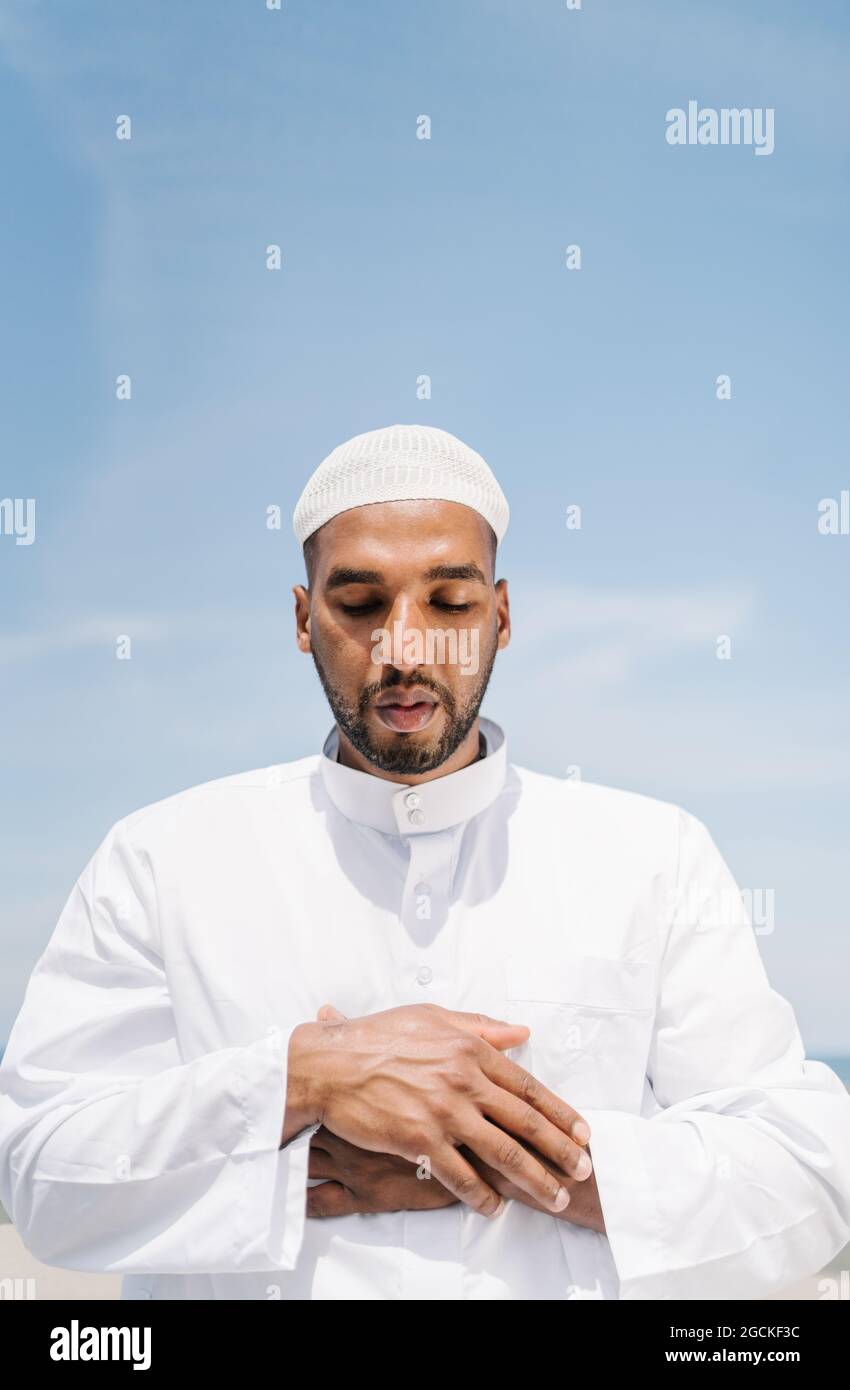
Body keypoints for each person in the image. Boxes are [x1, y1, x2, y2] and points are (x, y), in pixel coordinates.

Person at [1, 423, 848, 1301]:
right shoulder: (161, 859)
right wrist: (304, 1076)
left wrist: (487, 1161)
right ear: (302, 619)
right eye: (361, 606)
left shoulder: (651, 857)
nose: (406, 649)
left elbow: (805, 1173)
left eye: (449, 603)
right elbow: (41, 1176)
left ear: (503, 616)